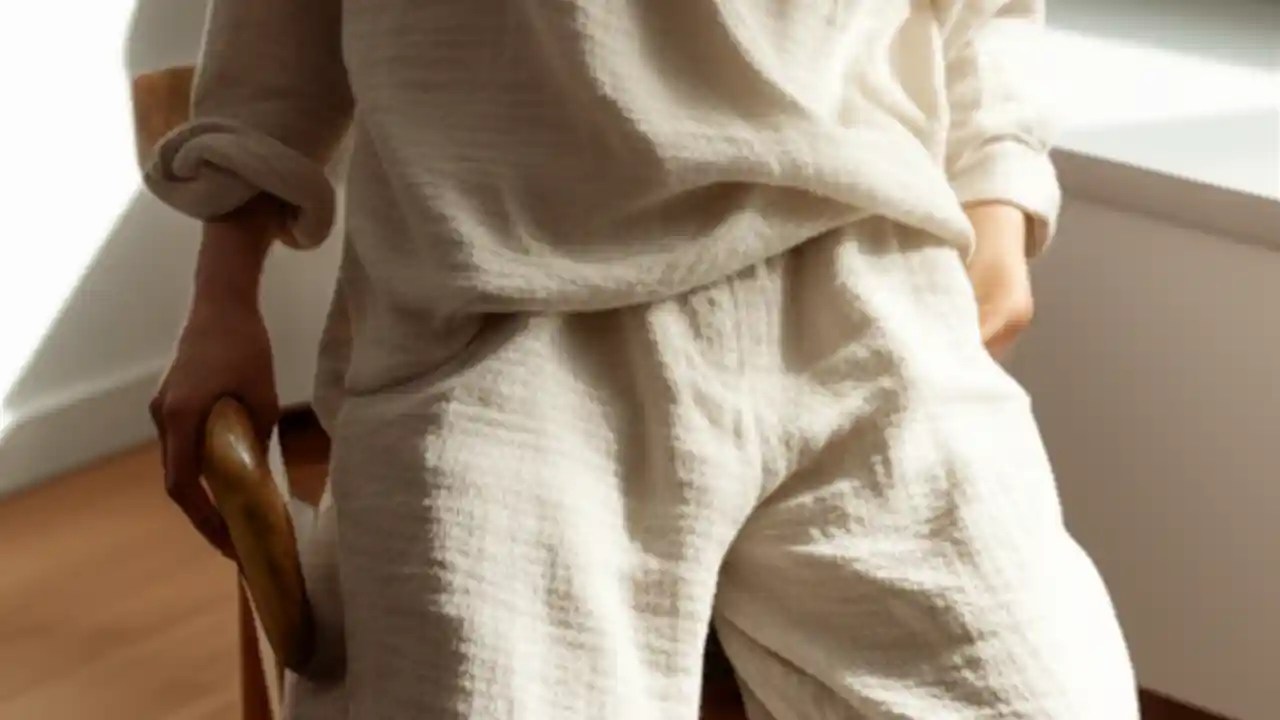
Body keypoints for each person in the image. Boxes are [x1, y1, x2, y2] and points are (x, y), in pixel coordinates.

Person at [145, 1, 1139, 718]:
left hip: (863, 290)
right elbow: (277, 30)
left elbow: (993, 15)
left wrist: (997, 199)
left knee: (1038, 692)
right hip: (500, 317)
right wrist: (219, 291)